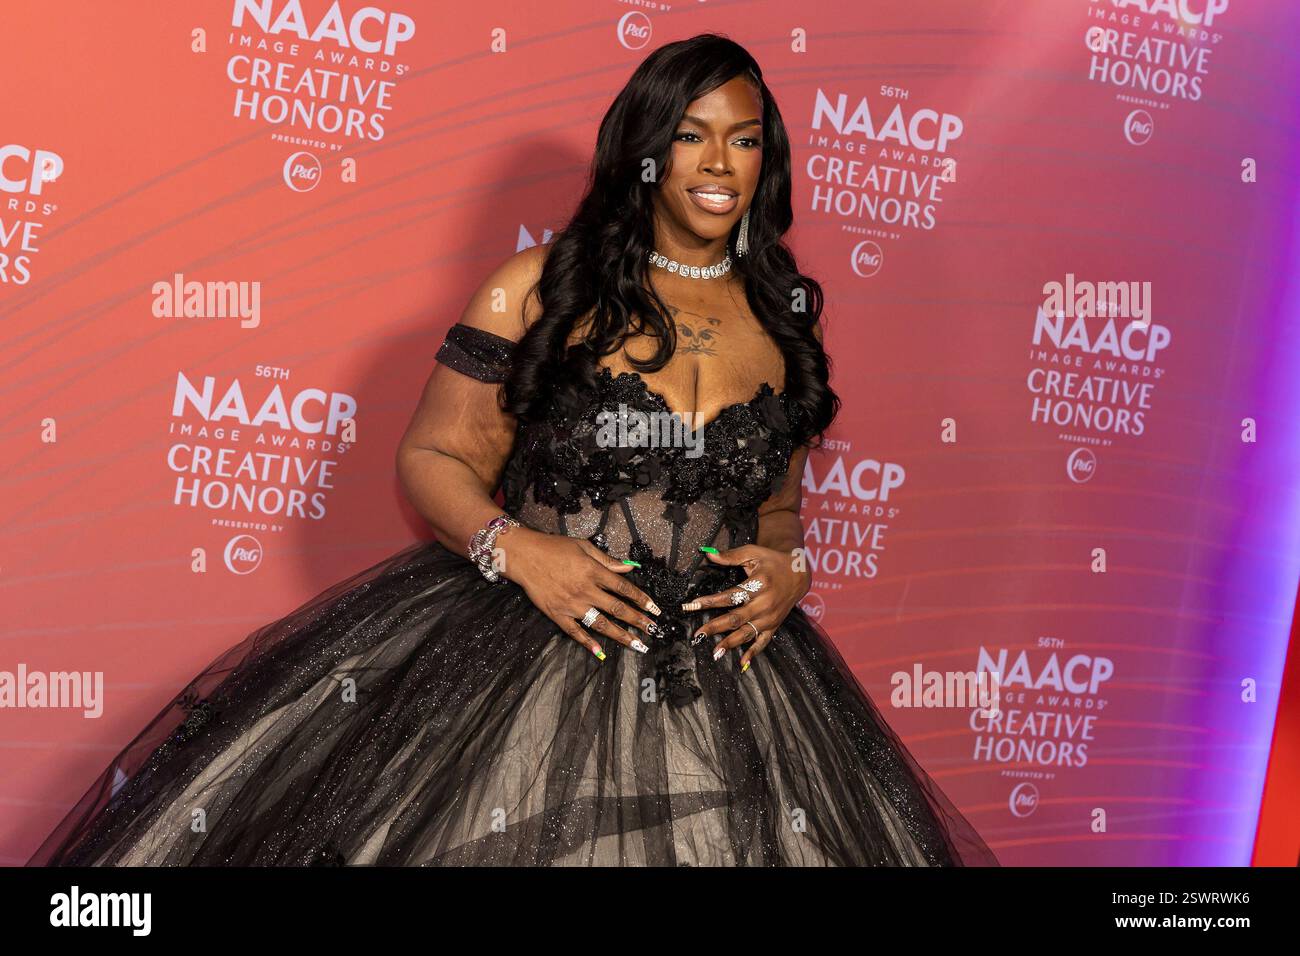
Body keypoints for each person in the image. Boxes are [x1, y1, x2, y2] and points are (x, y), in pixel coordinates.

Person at [27, 33, 999, 867]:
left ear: (765, 160)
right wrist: (517, 549)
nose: (716, 161)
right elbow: (431, 457)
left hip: (730, 684)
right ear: (643, 150)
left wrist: (787, 570)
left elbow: (776, 511)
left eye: (741, 138)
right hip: (525, 656)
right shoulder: (538, 286)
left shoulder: (785, 322)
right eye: (689, 134)